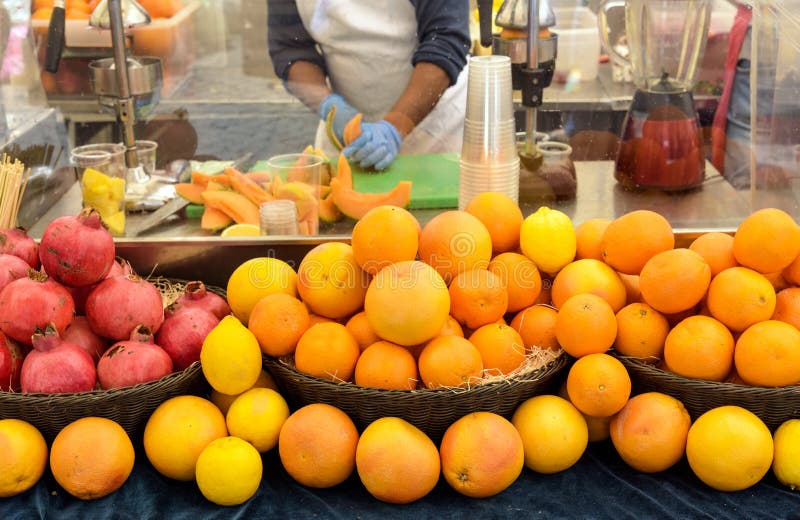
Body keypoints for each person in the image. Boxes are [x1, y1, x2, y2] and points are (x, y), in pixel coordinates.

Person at [267, 0, 471, 170]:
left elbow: (445, 41)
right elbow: (291, 49)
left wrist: (395, 126)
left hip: (436, 132)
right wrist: (329, 107)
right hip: (345, 140)